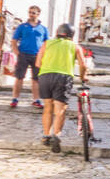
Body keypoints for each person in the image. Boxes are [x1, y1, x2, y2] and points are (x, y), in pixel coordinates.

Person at [34, 25, 87, 154]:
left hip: (45, 76)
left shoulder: (47, 43)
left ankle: (46, 135)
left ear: (58, 33)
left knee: (47, 107)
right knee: (60, 110)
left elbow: (37, 63)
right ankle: (56, 135)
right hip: (63, 77)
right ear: (71, 35)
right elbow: (83, 65)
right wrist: (83, 77)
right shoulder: (74, 46)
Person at [10, 6, 49, 109]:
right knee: (19, 77)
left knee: (36, 79)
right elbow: (14, 41)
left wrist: (43, 54)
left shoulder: (43, 29)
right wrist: (17, 53)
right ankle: (15, 98)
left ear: (38, 14)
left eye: (34, 13)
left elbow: (46, 43)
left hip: (37, 55)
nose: (31, 14)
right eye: (30, 12)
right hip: (23, 54)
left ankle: (36, 100)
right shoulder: (22, 27)